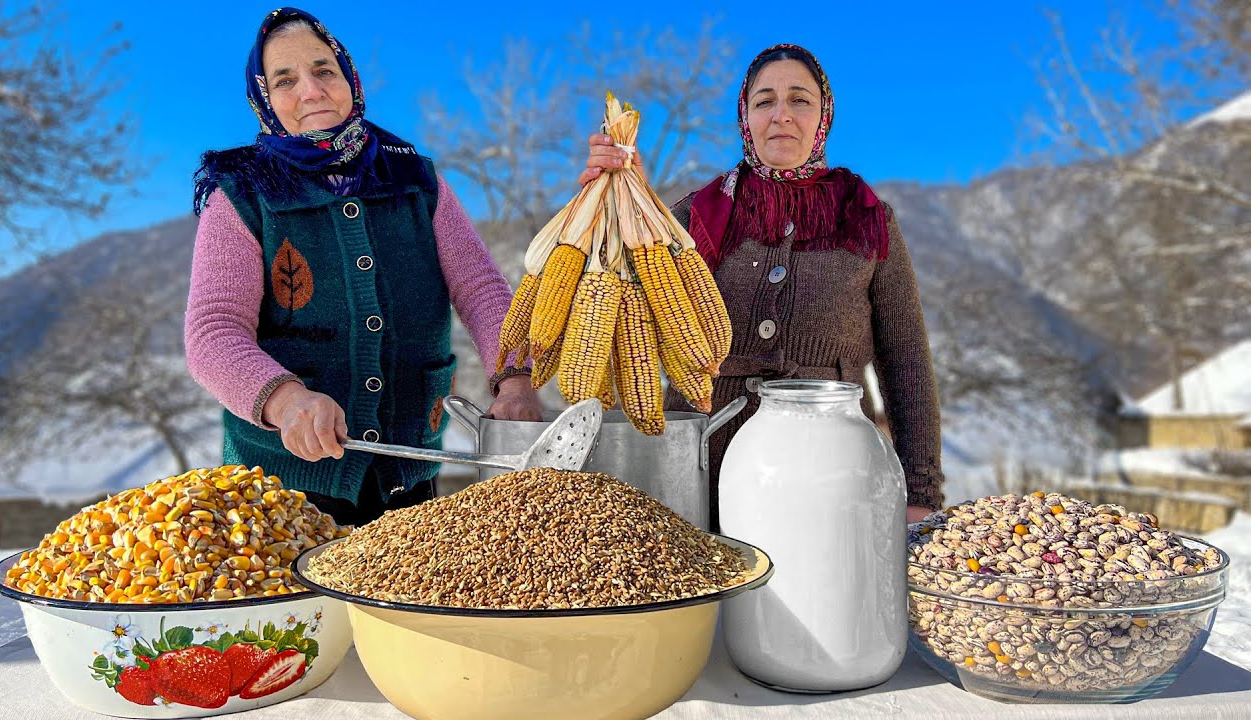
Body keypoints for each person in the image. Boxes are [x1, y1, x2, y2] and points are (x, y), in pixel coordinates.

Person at [185, 7, 541, 526]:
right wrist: (285, 402)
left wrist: (515, 380)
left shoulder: (418, 181)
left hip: (410, 470)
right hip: (281, 487)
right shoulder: (241, 195)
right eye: (285, 80)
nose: (311, 90)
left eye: (323, 70)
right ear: (264, 98)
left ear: (349, 77)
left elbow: (483, 290)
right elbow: (213, 334)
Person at [580, 44, 944, 527]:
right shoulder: (697, 214)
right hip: (697, 471)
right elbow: (625, 311)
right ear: (745, 116)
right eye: (764, 100)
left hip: (827, 473)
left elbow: (907, 362)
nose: (781, 116)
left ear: (824, 115)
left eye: (799, 100)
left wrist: (920, 492)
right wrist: (619, 196)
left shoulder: (868, 219)